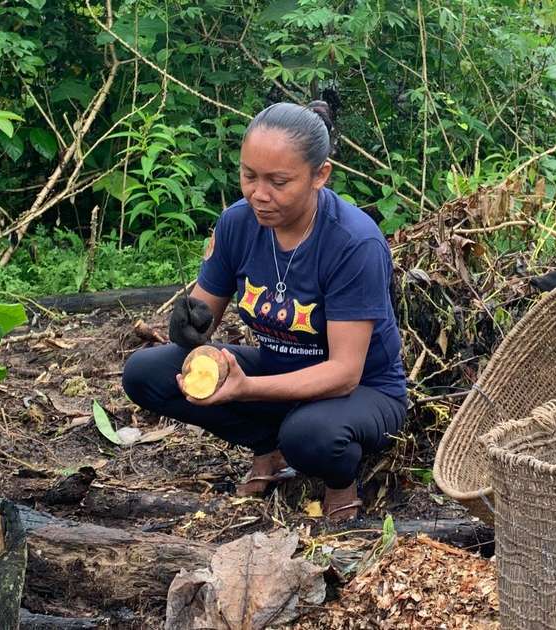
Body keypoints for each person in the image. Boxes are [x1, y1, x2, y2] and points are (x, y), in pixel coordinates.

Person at [122, 100, 407, 521]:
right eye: (249, 176)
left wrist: (247, 389)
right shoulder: (238, 223)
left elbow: (344, 374)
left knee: (311, 435)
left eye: (278, 181)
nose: (259, 194)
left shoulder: (353, 243)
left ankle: (340, 484)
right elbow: (204, 316)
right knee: (146, 373)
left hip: (364, 391)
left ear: (319, 176)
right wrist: (187, 326)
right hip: (277, 370)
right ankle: (269, 449)